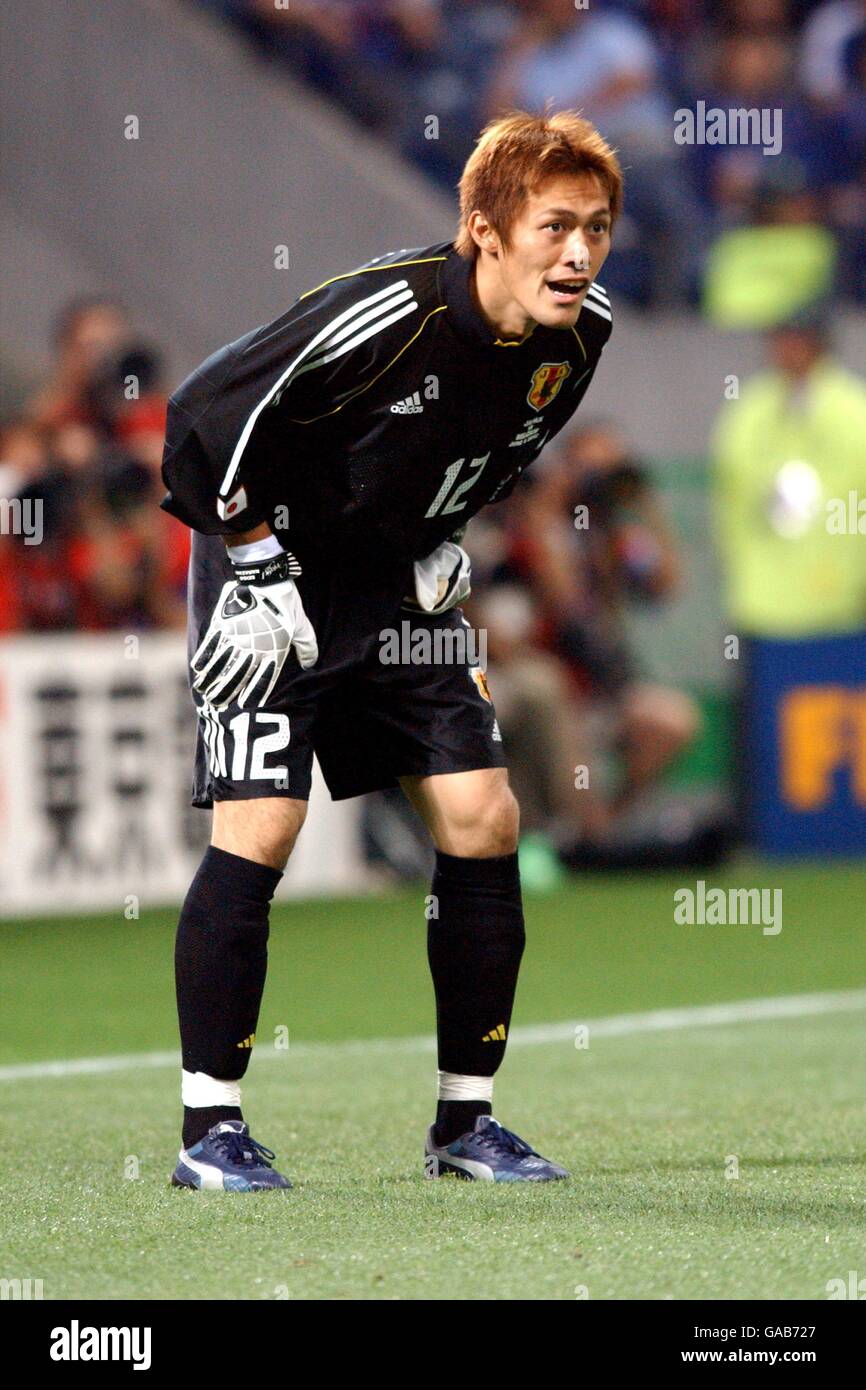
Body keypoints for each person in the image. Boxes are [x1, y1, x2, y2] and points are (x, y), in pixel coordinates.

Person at [160, 109, 622, 1189]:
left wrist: (440, 532)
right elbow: (197, 420)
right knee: (263, 825)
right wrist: (252, 563)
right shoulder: (381, 312)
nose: (577, 251)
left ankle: (464, 1124)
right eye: (553, 225)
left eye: (596, 227)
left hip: (391, 580)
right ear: (483, 228)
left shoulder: (581, 333)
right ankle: (206, 1132)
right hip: (266, 570)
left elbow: (495, 443)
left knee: (483, 815)